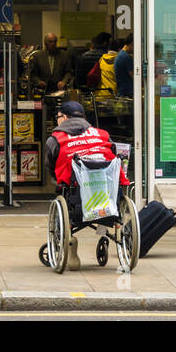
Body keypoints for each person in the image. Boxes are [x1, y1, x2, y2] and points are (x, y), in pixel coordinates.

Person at [44, 99, 130, 271]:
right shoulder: (102, 134)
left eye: (58, 116)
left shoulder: (56, 139)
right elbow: (113, 156)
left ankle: (69, 241)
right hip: (108, 197)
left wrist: (59, 181)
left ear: (65, 117)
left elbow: (50, 166)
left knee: (64, 189)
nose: (57, 120)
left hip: (78, 200)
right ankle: (106, 231)